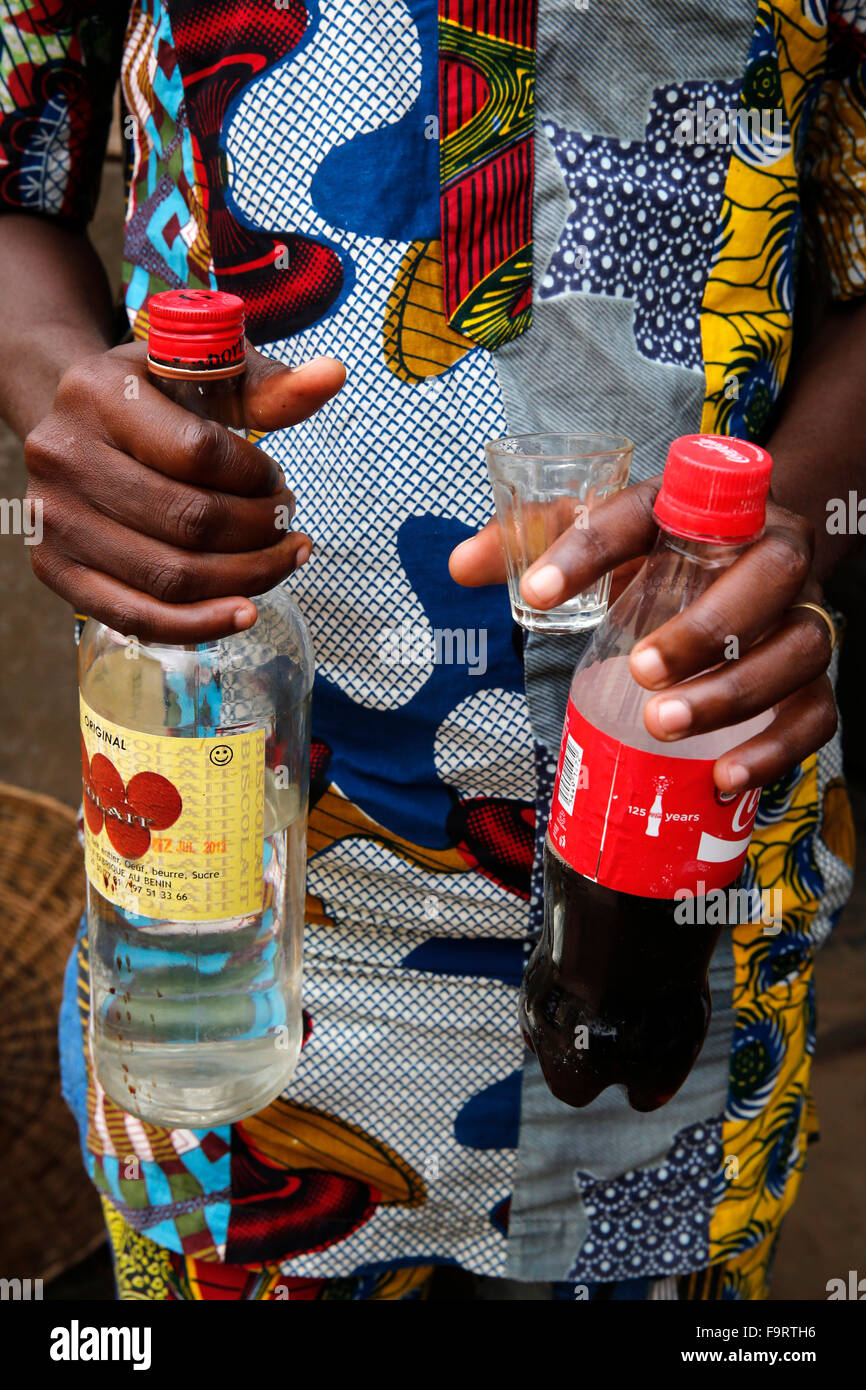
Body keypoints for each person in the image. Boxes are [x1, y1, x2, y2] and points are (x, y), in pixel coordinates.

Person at [0, 0, 861, 1301]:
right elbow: (18, 174)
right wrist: (64, 383)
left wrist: (773, 507)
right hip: (217, 907)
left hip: (679, 873)